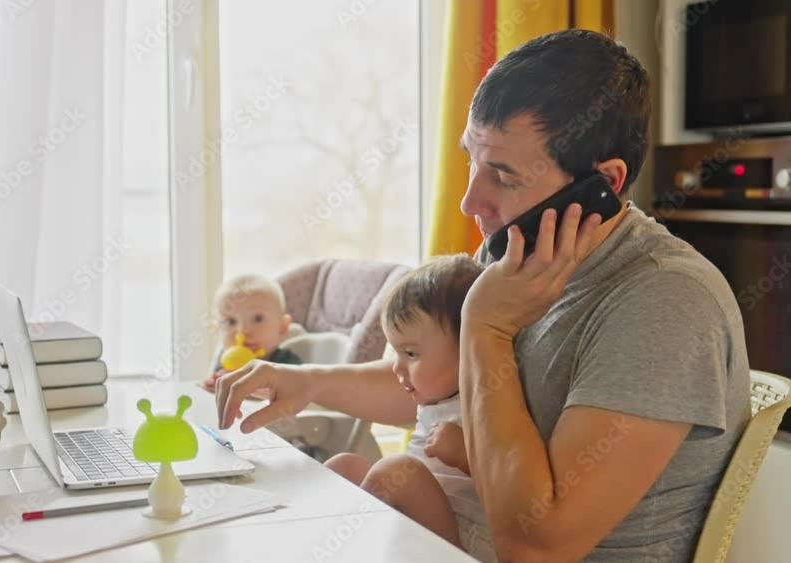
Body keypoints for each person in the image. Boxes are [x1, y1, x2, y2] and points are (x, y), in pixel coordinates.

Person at [215, 29, 751, 562]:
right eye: (473, 159)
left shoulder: (664, 300)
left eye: (504, 175)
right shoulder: (513, 257)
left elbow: (537, 547)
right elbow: (437, 383)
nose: (472, 200)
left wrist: (486, 329)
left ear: (603, 184)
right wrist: (303, 382)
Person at [324, 254, 483, 548]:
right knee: (345, 466)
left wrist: (467, 455)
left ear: (469, 347)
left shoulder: (489, 397)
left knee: (396, 471)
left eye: (410, 354)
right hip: (420, 523)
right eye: (396, 353)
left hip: (463, 543)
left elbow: (515, 485)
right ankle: (323, 542)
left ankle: (354, 549)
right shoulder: (433, 398)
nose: (397, 368)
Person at [200, 274, 302, 393]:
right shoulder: (225, 363)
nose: (243, 331)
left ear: (282, 328)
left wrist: (253, 388)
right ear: (217, 331)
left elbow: (297, 390)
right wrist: (212, 384)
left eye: (258, 319)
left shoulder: (287, 363)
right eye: (231, 321)